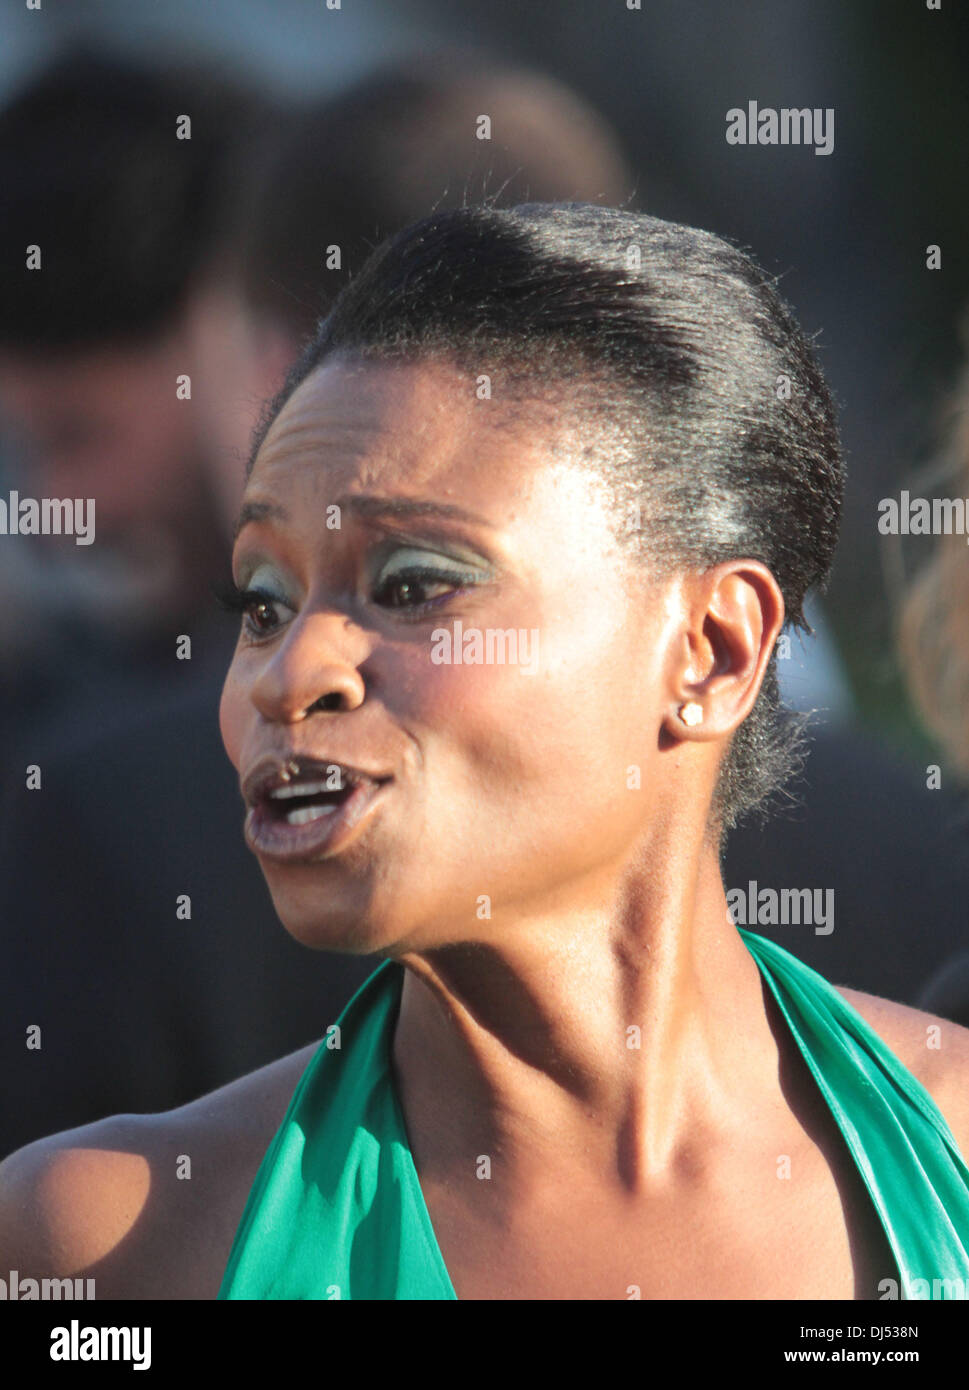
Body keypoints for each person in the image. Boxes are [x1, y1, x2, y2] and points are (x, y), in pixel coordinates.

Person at [3, 203, 969, 1300]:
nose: (286, 672)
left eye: (414, 584)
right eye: (262, 598)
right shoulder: (107, 1243)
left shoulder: (949, 1162)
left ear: (709, 649)